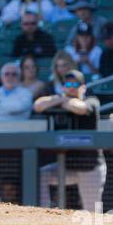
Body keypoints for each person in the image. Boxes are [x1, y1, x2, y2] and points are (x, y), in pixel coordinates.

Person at [33, 70, 104, 211]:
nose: (71, 87)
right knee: (42, 174)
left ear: (83, 87)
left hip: (90, 167)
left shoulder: (91, 99)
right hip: (68, 166)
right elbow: (37, 106)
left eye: (75, 84)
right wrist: (59, 99)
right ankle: (44, 211)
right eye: (68, 84)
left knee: (93, 212)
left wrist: (63, 100)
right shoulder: (60, 100)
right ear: (63, 86)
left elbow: (82, 109)